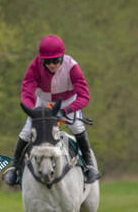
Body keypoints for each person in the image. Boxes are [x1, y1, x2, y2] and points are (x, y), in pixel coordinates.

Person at [9, 34, 99, 186]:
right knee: (26, 131)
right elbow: (27, 91)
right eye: (47, 61)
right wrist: (32, 110)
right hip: (43, 102)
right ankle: (14, 169)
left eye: (56, 60)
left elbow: (84, 96)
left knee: (77, 126)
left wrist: (65, 111)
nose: (52, 65)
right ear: (41, 60)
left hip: (68, 102)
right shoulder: (34, 66)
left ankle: (89, 165)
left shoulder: (72, 66)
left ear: (62, 57)